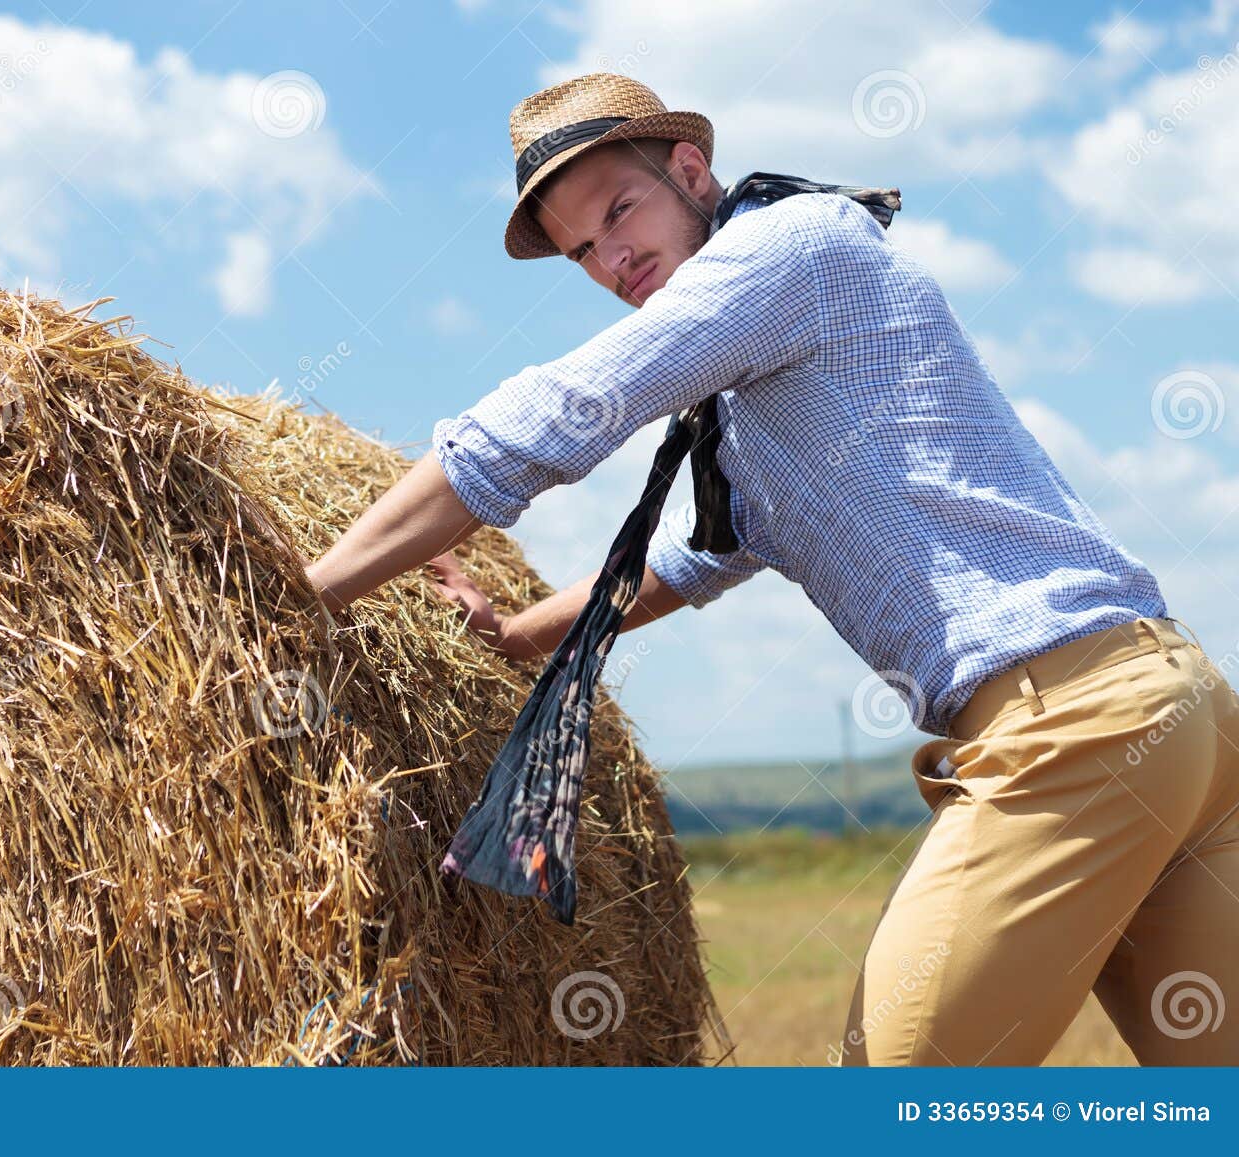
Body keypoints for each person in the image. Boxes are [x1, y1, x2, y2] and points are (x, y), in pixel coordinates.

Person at [303, 72, 1239, 1066]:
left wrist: (297, 592)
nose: (611, 258)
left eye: (620, 211)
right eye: (582, 250)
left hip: (1076, 726)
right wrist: (521, 633)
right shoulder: (757, 410)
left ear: (689, 170)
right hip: (1175, 718)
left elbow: (557, 413)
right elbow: (701, 550)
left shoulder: (788, 248)